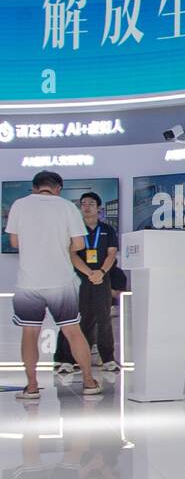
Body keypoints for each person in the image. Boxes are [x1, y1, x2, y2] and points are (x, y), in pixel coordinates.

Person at [5, 171, 101, 399]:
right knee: (73, 331)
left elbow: (14, 241)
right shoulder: (67, 207)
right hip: (61, 281)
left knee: (30, 333)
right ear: (58, 188)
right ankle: (88, 381)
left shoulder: (20, 205)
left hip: (29, 282)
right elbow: (78, 243)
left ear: (34, 187)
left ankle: (31, 386)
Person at [53, 192, 118, 374]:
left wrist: (101, 272)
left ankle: (108, 359)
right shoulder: (74, 230)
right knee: (73, 319)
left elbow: (111, 253)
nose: (86, 206)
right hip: (79, 278)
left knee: (103, 319)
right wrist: (89, 272)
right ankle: (67, 360)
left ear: (98, 208)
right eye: (83, 204)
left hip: (101, 279)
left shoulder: (107, 229)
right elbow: (71, 254)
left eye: (91, 203)